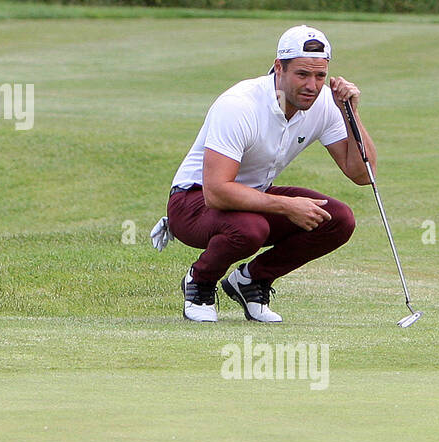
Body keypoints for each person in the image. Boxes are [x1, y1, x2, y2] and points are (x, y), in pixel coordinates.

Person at [159, 25, 375, 323]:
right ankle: (200, 282)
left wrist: (351, 113)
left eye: (320, 75)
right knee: (250, 229)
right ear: (279, 68)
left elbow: (362, 174)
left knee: (337, 219)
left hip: (252, 198)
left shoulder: (325, 103)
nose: (312, 85)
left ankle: (251, 280)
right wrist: (288, 206)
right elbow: (217, 191)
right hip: (193, 202)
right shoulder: (240, 104)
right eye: (302, 74)